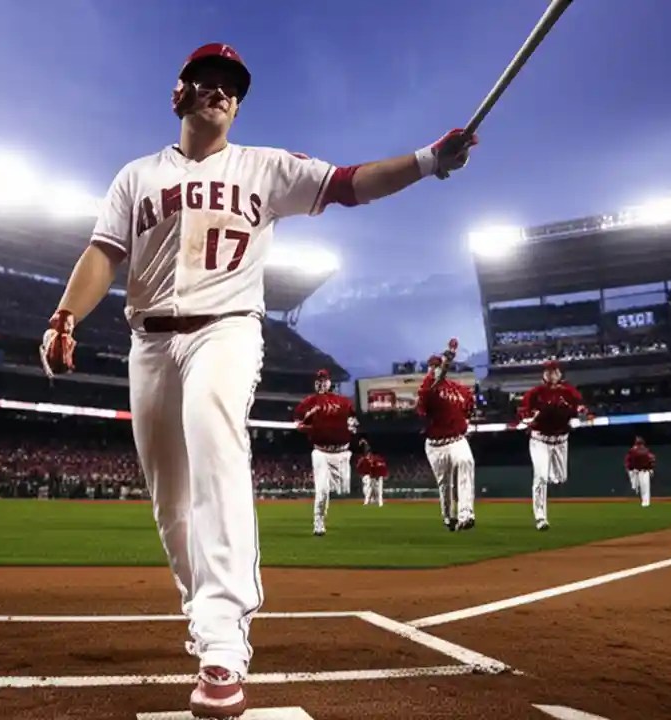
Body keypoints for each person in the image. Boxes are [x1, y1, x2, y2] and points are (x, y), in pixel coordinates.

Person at [37, 42, 478, 719]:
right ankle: (208, 618)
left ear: (238, 104)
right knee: (171, 501)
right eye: (205, 81)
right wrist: (66, 316)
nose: (218, 91)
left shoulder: (264, 167)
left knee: (217, 444)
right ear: (177, 95)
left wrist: (426, 161)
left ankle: (222, 643)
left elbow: (349, 184)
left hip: (227, 327)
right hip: (148, 340)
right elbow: (104, 252)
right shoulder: (136, 177)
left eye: (230, 86)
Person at [514, 360, 589, 530]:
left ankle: (550, 475)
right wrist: (530, 419)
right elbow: (523, 415)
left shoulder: (569, 392)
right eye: (548, 371)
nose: (552, 374)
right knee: (540, 477)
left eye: (554, 371)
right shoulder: (535, 393)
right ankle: (540, 518)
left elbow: (582, 410)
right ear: (544, 374)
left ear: (560, 374)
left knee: (560, 478)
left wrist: (581, 414)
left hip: (561, 441)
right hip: (540, 440)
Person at [416, 340, 477, 531]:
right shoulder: (427, 390)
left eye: (436, 366)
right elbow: (428, 394)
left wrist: (466, 419)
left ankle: (466, 514)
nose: (434, 369)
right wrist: (447, 359)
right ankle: (449, 517)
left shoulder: (461, 390)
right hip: (435, 444)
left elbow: (469, 408)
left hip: (457, 439)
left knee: (466, 462)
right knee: (445, 484)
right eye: (431, 367)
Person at [294, 369, 358, 536]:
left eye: (324, 380)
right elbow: (298, 421)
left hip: (342, 452)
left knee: (343, 491)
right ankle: (318, 522)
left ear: (330, 382)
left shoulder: (344, 401)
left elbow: (353, 419)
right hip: (321, 452)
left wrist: (353, 425)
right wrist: (303, 427)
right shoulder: (308, 402)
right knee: (322, 490)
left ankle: (323, 512)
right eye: (318, 380)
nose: (321, 383)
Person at [355, 438, 389, 507]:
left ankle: (378, 502)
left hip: (377, 476)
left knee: (377, 490)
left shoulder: (377, 459)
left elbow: (383, 468)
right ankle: (369, 501)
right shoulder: (368, 459)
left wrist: (384, 475)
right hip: (371, 475)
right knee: (369, 489)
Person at [624, 436, 655, 508]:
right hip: (641, 471)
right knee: (644, 487)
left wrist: (629, 467)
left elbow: (628, 460)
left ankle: (644, 501)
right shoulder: (644, 450)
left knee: (642, 487)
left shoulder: (637, 450)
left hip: (639, 470)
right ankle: (644, 501)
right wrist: (651, 468)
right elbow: (651, 459)